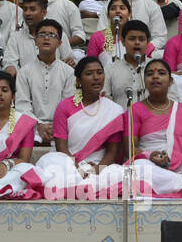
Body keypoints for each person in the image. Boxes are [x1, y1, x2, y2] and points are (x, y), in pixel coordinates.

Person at [120, 59, 182, 198]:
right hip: (149, 165)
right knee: (140, 167)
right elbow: (130, 148)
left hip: (179, 169)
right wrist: (150, 156)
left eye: (161, 73)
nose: (155, 77)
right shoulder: (134, 110)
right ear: (144, 82)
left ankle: (179, 183)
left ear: (171, 81)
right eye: (150, 74)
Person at [37, 57, 126, 199]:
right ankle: (83, 185)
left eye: (99, 72)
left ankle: (84, 185)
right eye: (89, 73)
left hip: (98, 167)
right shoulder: (64, 107)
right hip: (68, 165)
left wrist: (97, 169)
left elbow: (112, 152)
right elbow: (62, 149)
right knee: (52, 166)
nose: (96, 77)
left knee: (120, 173)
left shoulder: (114, 110)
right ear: (78, 81)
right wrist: (77, 168)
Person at [14, 20, 75, 145]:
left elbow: (68, 104)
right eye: (42, 34)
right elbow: (22, 105)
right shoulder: (24, 72)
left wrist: (56, 126)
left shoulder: (68, 72)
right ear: (35, 41)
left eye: (52, 35)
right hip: (32, 126)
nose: (46, 38)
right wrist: (38, 125)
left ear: (59, 43)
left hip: (61, 126)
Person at [4, 0, 75, 70]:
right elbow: (10, 62)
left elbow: (68, 60)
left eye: (32, 9)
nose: (27, 13)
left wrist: (69, 63)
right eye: (25, 9)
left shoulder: (58, 35)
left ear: (44, 13)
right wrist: (11, 68)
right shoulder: (16, 37)